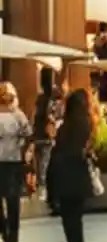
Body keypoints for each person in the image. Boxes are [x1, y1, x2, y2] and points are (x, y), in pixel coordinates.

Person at [47, 89, 97, 242]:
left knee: (69, 217)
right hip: (79, 175)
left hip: (64, 174)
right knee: (76, 216)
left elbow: (59, 150)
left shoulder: (67, 126)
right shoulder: (88, 123)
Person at [0, 83, 31, 242]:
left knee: (12, 205)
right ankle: (9, 241)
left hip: (12, 163)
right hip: (11, 163)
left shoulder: (18, 115)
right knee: (12, 205)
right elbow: (28, 135)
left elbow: (28, 135)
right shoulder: (18, 115)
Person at [32, 69, 63, 203]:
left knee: (39, 163)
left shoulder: (40, 98)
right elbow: (50, 115)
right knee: (44, 162)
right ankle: (43, 189)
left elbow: (35, 115)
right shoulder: (52, 97)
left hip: (37, 133)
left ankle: (41, 188)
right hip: (46, 135)